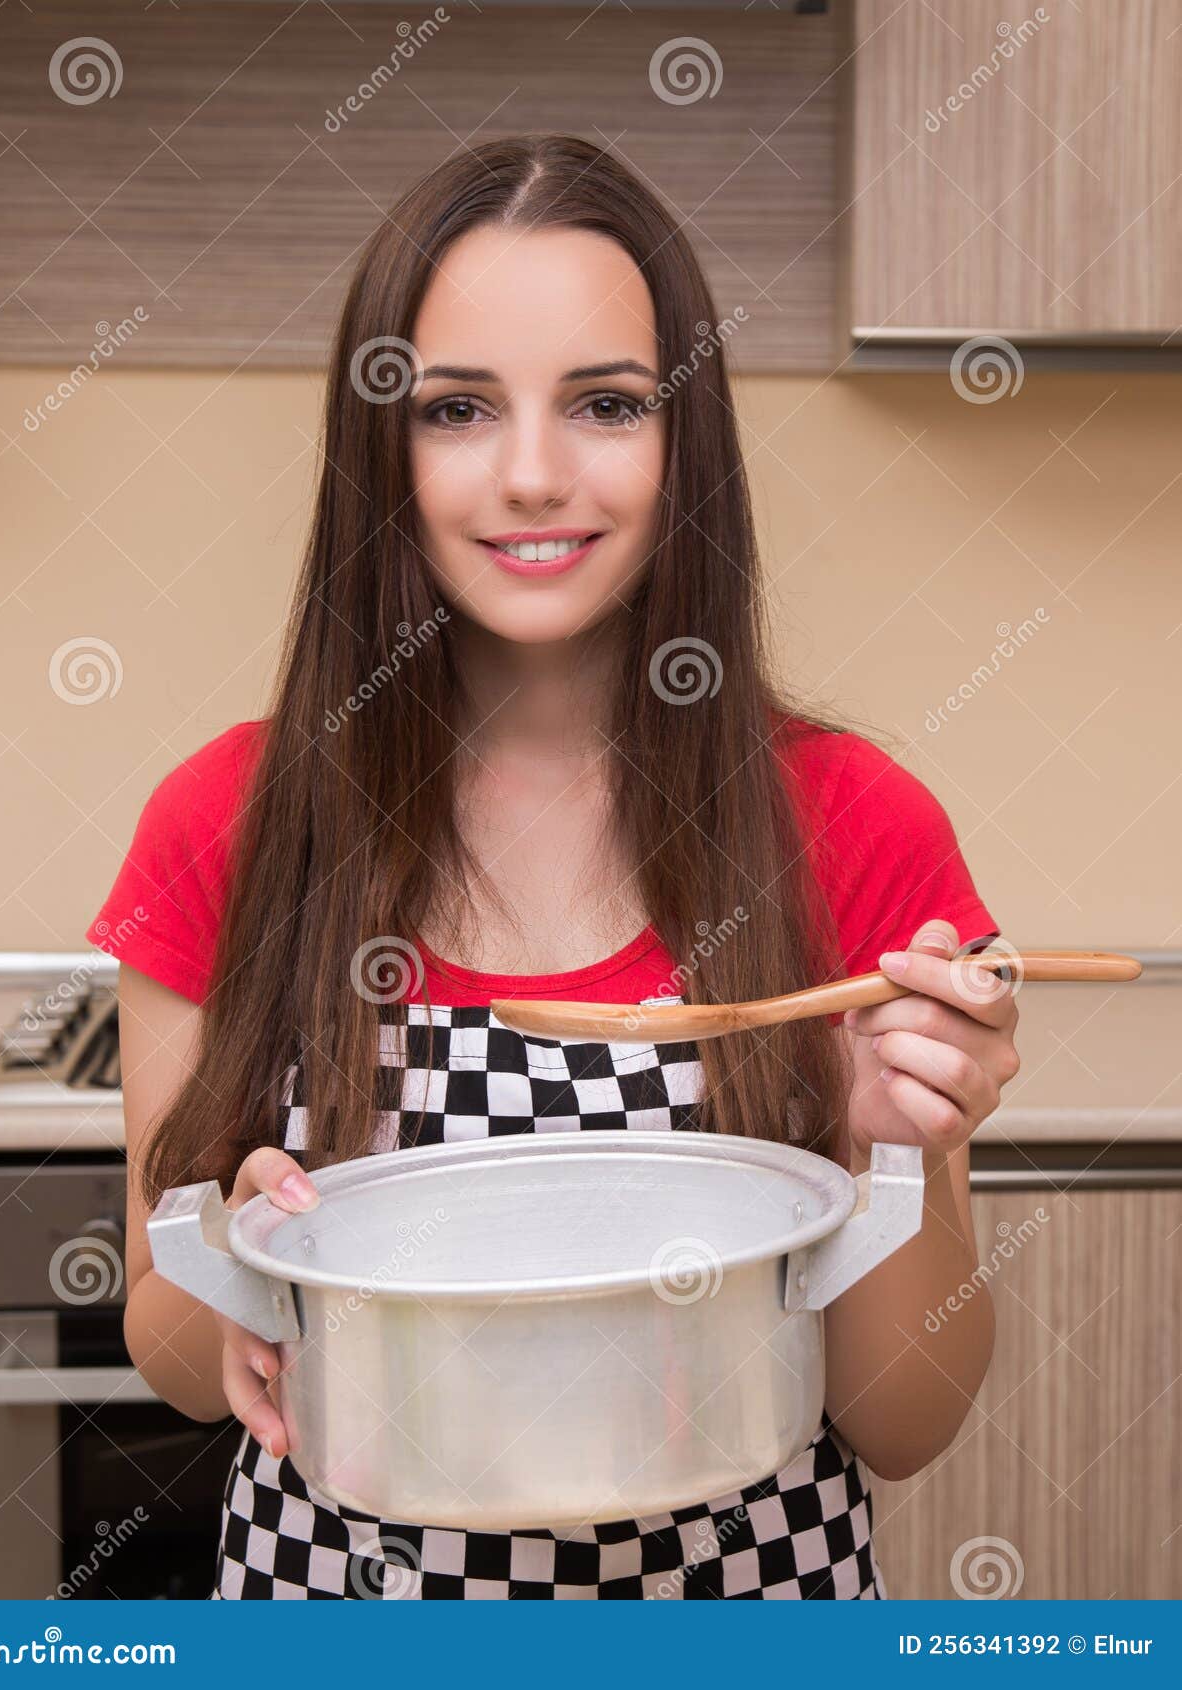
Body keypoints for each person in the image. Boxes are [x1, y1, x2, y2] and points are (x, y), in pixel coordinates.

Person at [87, 134, 1021, 1599]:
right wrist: (237, 1284)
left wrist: (889, 1143)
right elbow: (168, 1343)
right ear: (377, 446)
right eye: (457, 407)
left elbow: (906, 1423)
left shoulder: (854, 822)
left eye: (603, 404)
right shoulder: (229, 819)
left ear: (684, 438)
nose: (532, 475)